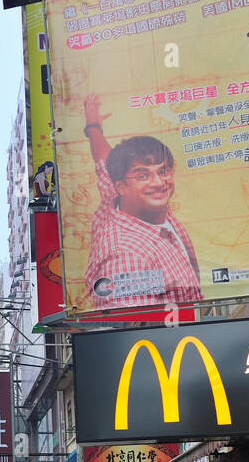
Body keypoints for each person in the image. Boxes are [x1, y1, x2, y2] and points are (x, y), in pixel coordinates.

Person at [81, 92, 203, 310]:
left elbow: (103, 160)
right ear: (121, 186)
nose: (158, 183)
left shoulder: (119, 196)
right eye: (143, 175)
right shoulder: (125, 256)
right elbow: (133, 328)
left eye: (163, 171)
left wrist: (94, 129)